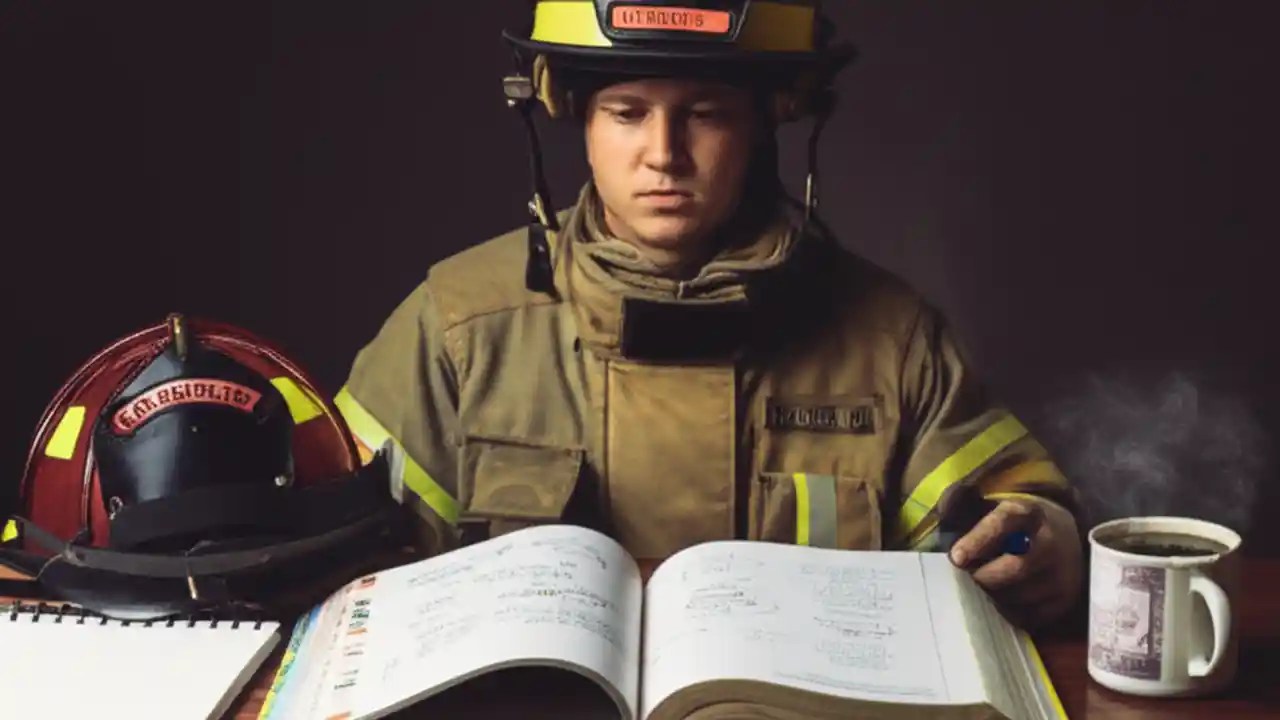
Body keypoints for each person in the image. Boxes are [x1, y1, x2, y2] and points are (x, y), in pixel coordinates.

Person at [333, 0, 1083, 628]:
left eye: (705, 113)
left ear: (768, 123)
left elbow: (1012, 514)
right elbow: (337, 549)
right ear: (574, 118)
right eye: (627, 112)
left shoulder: (889, 338)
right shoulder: (461, 326)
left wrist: (1046, 543)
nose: (664, 153)